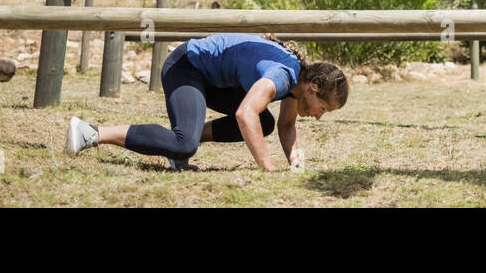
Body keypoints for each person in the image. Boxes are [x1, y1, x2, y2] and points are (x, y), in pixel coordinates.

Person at [65, 32, 347, 172]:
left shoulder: (296, 84)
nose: (320, 116)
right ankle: (91, 132)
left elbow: (285, 124)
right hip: (187, 66)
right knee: (187, 143)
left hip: (212, 81)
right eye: (323, 109)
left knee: (265, 123)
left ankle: (181, 139)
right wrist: (268, 167)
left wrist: (294, 158)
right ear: (313, 88)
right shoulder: (283, 76)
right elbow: (244, 113)